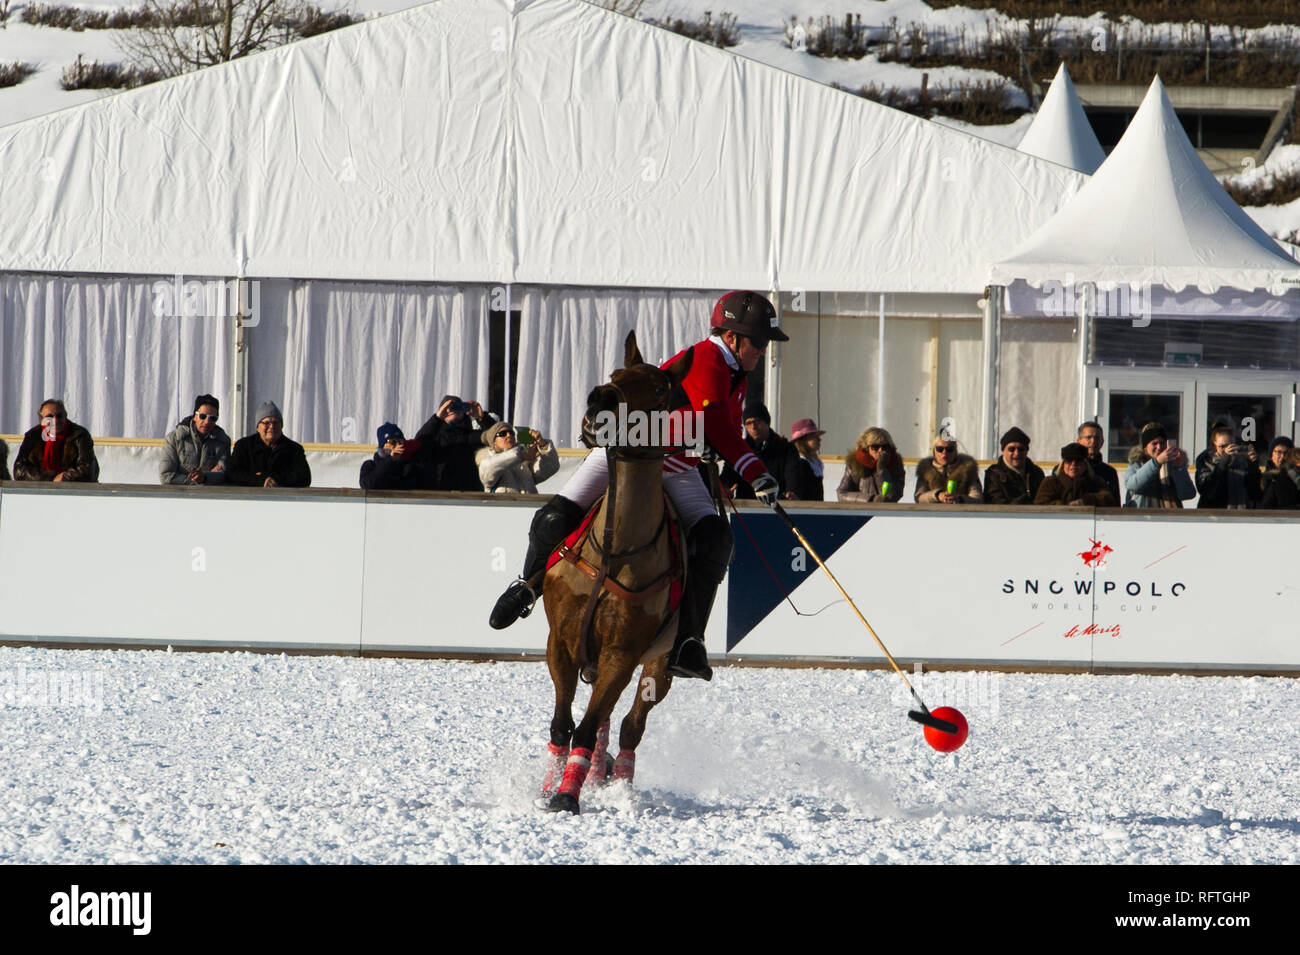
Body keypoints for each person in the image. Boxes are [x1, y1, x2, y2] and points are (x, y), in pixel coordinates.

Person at [489, 290, 789, 682]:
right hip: (627, 457)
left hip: (677, 466)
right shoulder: (707, 359)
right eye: (760, 342)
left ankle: (688, 639)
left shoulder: (737, 372)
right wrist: (754, 470)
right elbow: (714, 423)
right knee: (553, 516)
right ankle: (526, 586)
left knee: (716, 539)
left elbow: (721, 432)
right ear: (732, 337)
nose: (763, 351)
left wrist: (741, 470)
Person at [721, 403, 805, 500]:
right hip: (746, 508)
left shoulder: (786, 449)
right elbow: (726, 478)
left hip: (778, 506)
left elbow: (793, 478)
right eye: (748, 423)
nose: (753, 427)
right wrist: (725, 490)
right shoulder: (739, 451)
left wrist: (792, 494)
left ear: (767, 422)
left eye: (757, 421)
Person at [413, 395, 496, 492]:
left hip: (468, 493)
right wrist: (437, 418)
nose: (453, 410)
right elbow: (419, 443)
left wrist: (482, 418)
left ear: (464, 412)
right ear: (442, 411)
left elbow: (497, 439)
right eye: (449, 407)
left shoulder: (471, 436)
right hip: (437, 492)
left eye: (458, 407)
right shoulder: (434, 436)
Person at [228, 401, 311, 488]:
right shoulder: (243, 446)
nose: (271, 426)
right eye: (266, 423)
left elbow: (304, 477)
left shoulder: (294, 449)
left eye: (275, 422)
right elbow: (233, 473)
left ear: (281, 425)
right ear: (258, 427)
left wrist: (272, 478)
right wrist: (259, 480)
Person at [13, 399, 99, 483]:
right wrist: (52, 478)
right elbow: (19, 471)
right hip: (39, 491)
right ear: (41, 420)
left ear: (65, 417)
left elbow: (88, 471)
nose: (55, 420)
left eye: (59, 416)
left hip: (74, 491)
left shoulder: (80, 435)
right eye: (49, 417)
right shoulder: (32, 436)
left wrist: (66, 477)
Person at [160, 394, 231, 485]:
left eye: (212, 418)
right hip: (179, 495)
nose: (207, 422)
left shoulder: (223, 441)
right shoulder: (175, 438)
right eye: (202, 416)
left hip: (210, 497)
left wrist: (205, 477)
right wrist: (197, 480)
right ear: (195, 416)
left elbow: (224, 474)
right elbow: (166, 476)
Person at [1123, 422, 1194, 508]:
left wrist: (1179, 468)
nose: (1159, 447)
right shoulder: (1136, 464)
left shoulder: (1172, 464)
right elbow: (1132, 485)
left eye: (1162, 443)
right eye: (1154, 443)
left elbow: (1188, 494)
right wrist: (1156, 463)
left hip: (1169, 518)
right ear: (1145, 447)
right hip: (1142, 518)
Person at [476, 422, 560, 494]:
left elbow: (551, 467)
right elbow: (491, 467)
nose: (509, 435)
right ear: (494, 442)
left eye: (511, 433)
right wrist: (521, 455)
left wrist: (543, 445)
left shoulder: (523, 464)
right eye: (502, 434)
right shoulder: (487, 462)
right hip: (503, 511)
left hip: (528, 509)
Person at [1194, 425, 1260, 509]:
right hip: (1214, 514)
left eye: (1231, 446)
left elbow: (1255, 493)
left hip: (1241, 514)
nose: (1227, 450)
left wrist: (1253, 466)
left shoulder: (1242, 462)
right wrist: (1224, 462)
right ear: (1213, 446)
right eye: (1222, 446)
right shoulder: (1206, 462)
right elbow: (1208, 490)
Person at [1033, 443, 1118, 506]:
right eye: (1069, 461)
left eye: (1078, 461)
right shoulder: (1050, 482)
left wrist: (1085, 501)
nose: (1073, 464)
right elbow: (1040, 504)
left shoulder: (1096, 482)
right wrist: (1066, 506)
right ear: (1063, 464)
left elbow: (1109, 499)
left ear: (1085, 464)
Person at [837, 426, 905, 503]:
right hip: (861, 512)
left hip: (885, 512)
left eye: (885, 447)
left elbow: (893, 496)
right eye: (875, 447)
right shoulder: (855, 464)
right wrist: (871, 499)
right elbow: (841, 494)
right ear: (866, 448)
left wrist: (881, 470)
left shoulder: (895, 464)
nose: (880, 450)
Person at [359, 422, 434, 491]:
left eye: (400, 442)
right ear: (382, 446)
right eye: (392, 442)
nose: (397, 446)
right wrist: (390, 459)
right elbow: (368, 485)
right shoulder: (370, 466)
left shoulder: (409, 466)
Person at [983, 426, 1044, 505]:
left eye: (1021, 449)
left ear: (1027, 451)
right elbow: (995, 502)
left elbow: (1044, 500)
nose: (1016, 453)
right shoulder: (994, 474)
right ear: (1003, 451)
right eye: (1011, 449)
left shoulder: (1036, 473)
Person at [914, 433, 982, 504]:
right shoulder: (926, 470)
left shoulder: (968, 470)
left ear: (955, 452)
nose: (944, 453)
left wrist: (960, 499)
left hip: (960, 513)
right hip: (933, 513)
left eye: (949, 449)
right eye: (940, 449)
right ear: (934, 452)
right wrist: (937, 495)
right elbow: (919, 497)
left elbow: (977, 498)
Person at [1074, 421, 1121, 503]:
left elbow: (1115, 504)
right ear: (1079, 441)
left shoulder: (1109, 472)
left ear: (1102, 442)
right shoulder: (1068, 469)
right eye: (1088, 437)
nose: (1093, 441)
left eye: (1097, 438)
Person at [787, 418, 825, 501]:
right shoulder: (799, 463)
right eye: (814, 436)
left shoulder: (815, 462)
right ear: (802, 440)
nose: (819, 439)